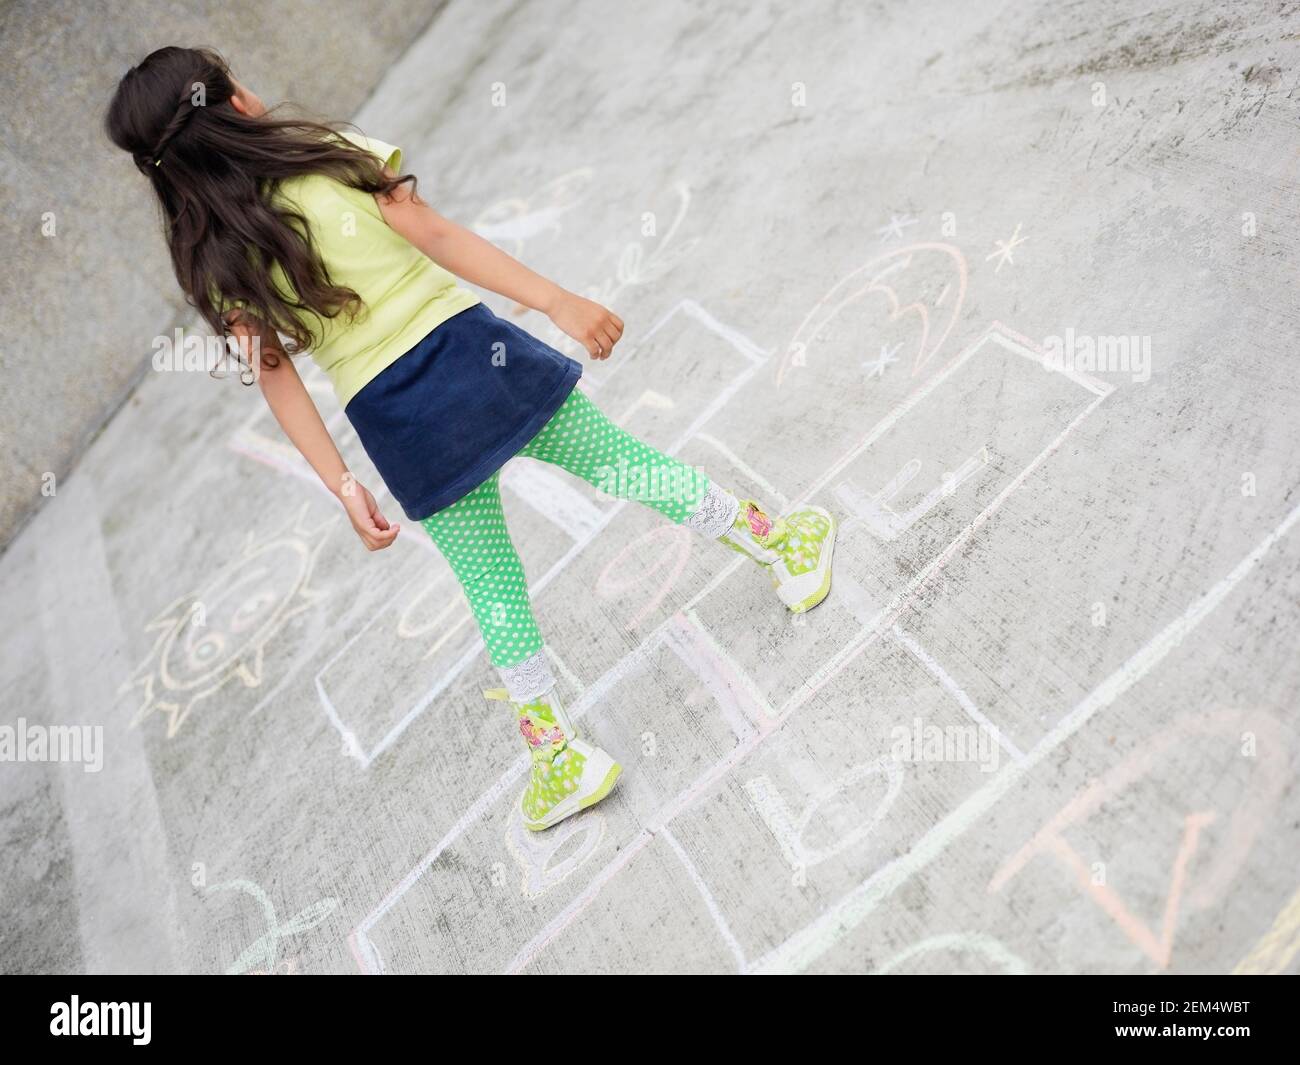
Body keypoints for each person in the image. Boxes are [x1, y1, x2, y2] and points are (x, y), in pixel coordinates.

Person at [105, 46, 837, 830]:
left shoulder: (215, 262)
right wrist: (555, 300)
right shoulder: (328, 155)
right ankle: (782, 548)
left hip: (398, 424)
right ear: (234, 102)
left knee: (491, 586)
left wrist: (342, 484)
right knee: (625, 464)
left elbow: (278, 374)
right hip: (475, 357)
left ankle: (559, 755)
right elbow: (440, 237)